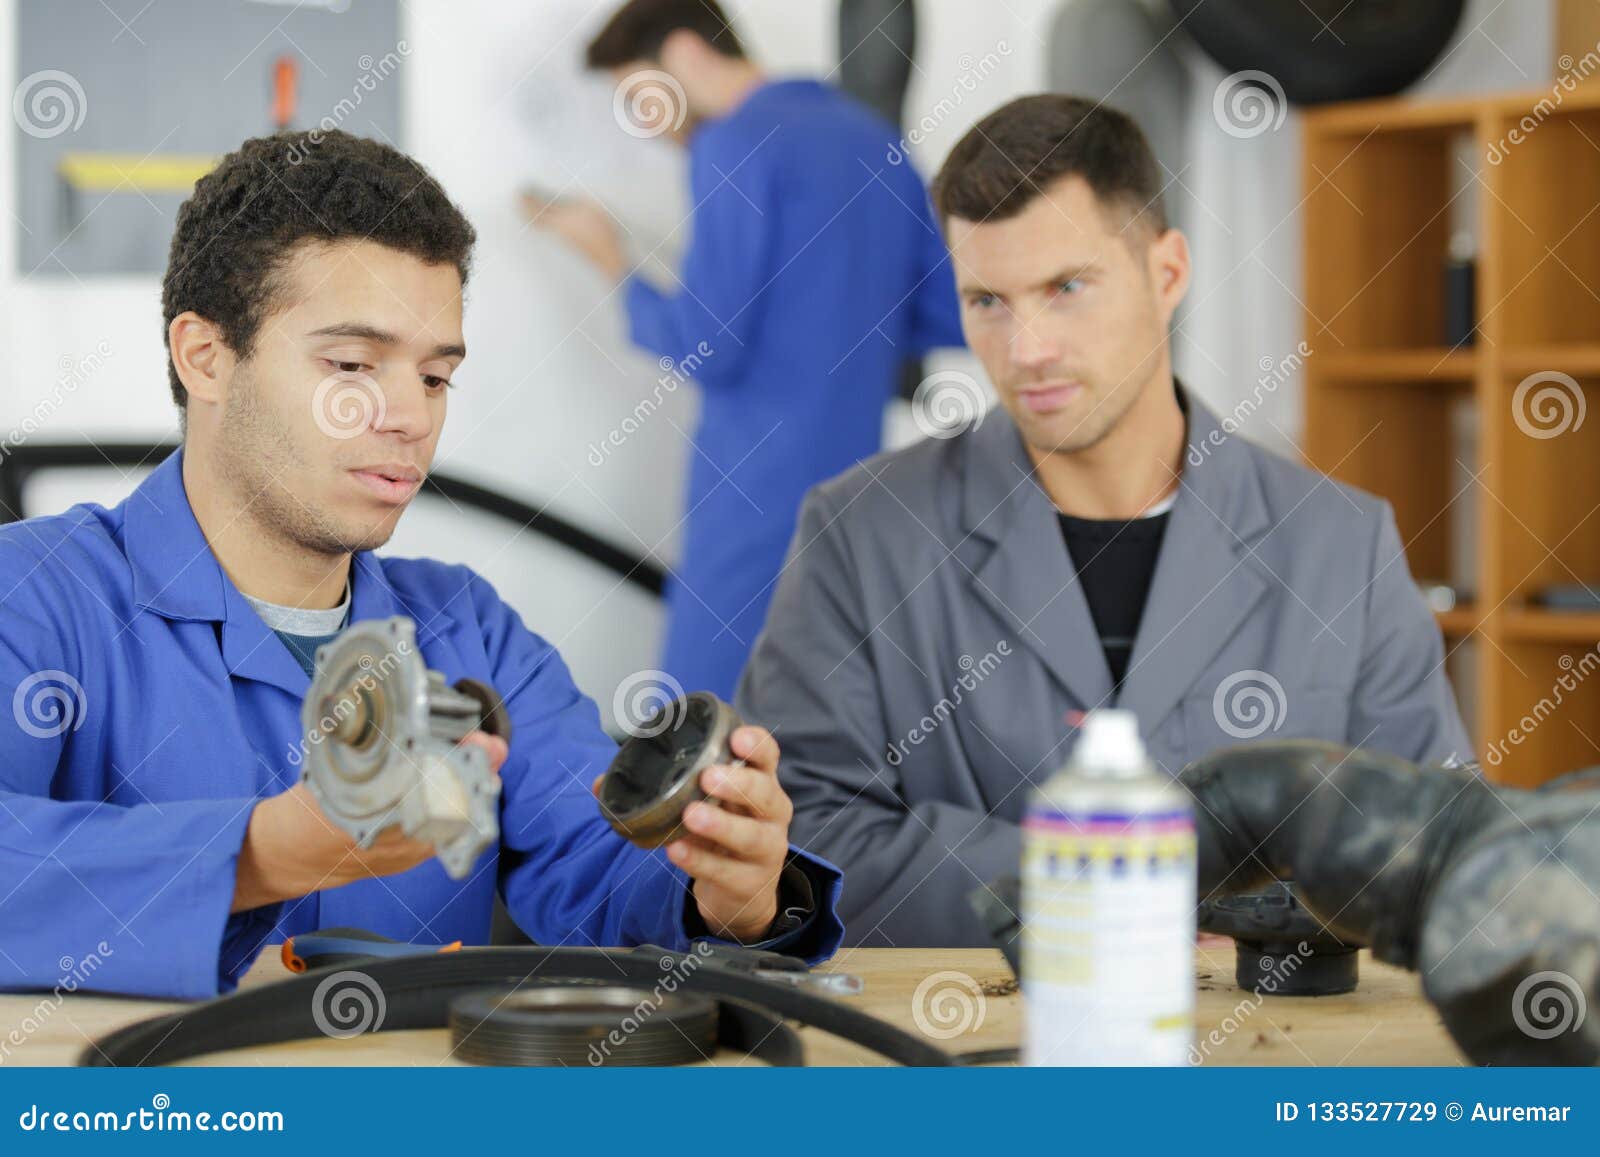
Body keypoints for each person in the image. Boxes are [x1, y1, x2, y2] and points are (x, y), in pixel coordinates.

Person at [0, 130, 841, 1000]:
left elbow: (601, 862)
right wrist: (262, 853)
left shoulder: (468, 634)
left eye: (436, 377)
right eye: (354, 364)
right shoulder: (31, 598)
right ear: (204, 356)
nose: (410, 415)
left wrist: (731, 896)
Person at [737, 95, 1471, 947]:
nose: (1027, 350)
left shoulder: (1343, 546)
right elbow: (804, 834)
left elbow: (1432, 848)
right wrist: (1113, 895)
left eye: (1066, 288)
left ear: (1168, 274)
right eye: (988, 301)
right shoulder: (860, 536)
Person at [525, 0, 963, 699]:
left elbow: (709, 347)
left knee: (699, 724)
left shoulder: (732, 143)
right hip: (857, 497)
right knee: (824, 720)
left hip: (751, 495)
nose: (646, 128)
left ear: (686, 57)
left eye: (640, 98)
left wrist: (611, 260)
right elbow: (947, 313)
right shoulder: (871, 137)